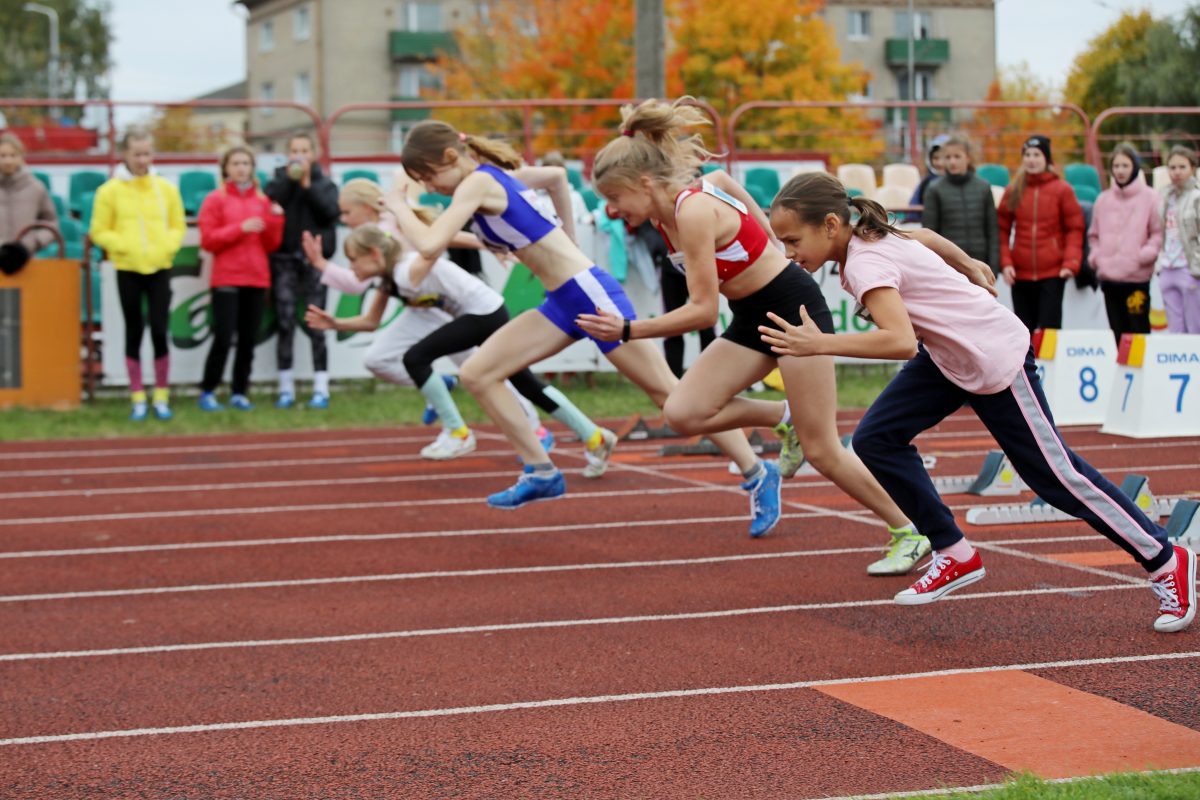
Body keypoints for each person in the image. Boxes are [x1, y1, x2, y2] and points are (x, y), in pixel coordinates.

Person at [761, 171, 1194, 633]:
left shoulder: (866, 260)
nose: (788, 253)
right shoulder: (870, 235)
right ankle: (954, 552)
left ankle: (1166, 558)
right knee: (877, 439)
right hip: (950, 360)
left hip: (995, 359)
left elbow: (900, 341)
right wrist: (967, 262)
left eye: (792, 240)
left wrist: (819, 344)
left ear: (830, 224)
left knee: (1055, 478)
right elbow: (924, 236)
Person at [580, 98, 928, 574]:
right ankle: (782, 418)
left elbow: (702, 311)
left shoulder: (692, 211)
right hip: (750, 315)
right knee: (683, 412)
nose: (611, 211)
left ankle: (909, 529)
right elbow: (724, 182)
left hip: (792, 311)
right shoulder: (676, 207)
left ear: (644, 184)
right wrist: (763, 233)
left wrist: (626, 329)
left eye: (615, 199)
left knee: (824, 448)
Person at [388, 119, 780, 538]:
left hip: (589, 293)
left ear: (451, 157)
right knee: (477, 373)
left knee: (669, 394)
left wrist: (396, 205)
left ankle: (758, 469)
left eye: (429, 177)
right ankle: (540, 470)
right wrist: (565, 239)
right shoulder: (492, 180)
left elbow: (430, 245)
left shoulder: (478, 183)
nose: (430, 188)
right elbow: (556, 178)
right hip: (561, 301)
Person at [303, 177, 567, 459]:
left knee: (482, 370)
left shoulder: (392, 226)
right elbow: (363, 288)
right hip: (416, 307)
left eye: (347, 213)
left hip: (446, 306)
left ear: (367, 208)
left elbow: (444, 236)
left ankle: (534, 430)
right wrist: (323, 271)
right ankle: (439, 387)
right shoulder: (369, 241)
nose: (344, 220)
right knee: (378, 359)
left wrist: (487, 245)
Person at [89, 128, 186, 421]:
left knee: (159, 329)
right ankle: (137, 395)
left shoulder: (166, 188)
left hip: (160, 268)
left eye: (147, 153)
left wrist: (166, 249)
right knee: (134, 330)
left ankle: (161, 394)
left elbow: (177, 225)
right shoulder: (109, 191)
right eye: (137, 154)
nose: (143, 159)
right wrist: (124, 248)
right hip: (127, 269)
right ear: (125, 155)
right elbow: (98, 229)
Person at [196, 145, 285, 410]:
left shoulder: (262, 201)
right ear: (226, 168)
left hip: (256, 278)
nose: (241, 168)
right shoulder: (215, 199)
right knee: (223, 337)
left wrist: (276, 221)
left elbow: (271, 244)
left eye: (246, 163)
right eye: (235, 163)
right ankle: (208, 390)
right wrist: (239, 228)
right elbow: (208, 241)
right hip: (226, 278)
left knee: (248, 340)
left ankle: (239, 391)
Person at [264, 131, 340, 409]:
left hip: (315, 262)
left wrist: (308, 184)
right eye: (294, 151)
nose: (300, 156)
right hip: (284, 260)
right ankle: (286, 388)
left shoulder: (325, 183)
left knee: (317, 324)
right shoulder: (279, 181)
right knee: (284, 323)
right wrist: (291, 180)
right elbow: (270, 199)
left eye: (305, 151)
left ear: (314, 154)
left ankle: (321, 388)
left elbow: (330, 213)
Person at [997, 135, 1085, 332]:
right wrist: (1006, 262)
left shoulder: (1063, 190)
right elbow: (1001, 228)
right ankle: (1027, 365)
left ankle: (1051, 365)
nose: (1031, 159)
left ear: (1047, 159)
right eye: (1027, 154)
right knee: (1023, 331)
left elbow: (1074, 228)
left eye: (1037, 154)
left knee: (1050, 330)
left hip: (1053, 273)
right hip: (1021, 274)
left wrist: (1070, 262)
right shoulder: (1013, 190)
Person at [1087, 143, 1162, 342]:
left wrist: (1142, 256)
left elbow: (1157, 234)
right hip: (1110, 279)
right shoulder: (1103, 200)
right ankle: (1125, 374)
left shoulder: (1151, 198)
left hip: (1136, 280)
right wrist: (1097, 258)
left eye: (1125, 165)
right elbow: (1093, 236)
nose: (1120, 171)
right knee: (1117, 334)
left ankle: (1142, 374)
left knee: (1138, 334)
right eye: (1116, 166)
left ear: (1135, 167)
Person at [920, 134, 999, 276]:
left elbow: (992, 231)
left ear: (968, 158)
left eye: (957, 156)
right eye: (948, 157)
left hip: (981, 263)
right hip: (949, 265)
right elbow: (930, 232)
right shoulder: (934, 189)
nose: (952, 162)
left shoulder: (983, 187)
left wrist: (993, 266)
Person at [1156, 145, 1200, 333]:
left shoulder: (1197, 197)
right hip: (1167, 267)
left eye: (1182, 167)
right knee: (1175, 330)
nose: (1177, 172)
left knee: (1195, 326)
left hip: (1190, 268)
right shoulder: (1165, 197)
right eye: (1172, 167)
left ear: (1193, 168)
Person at [0, 132, 58, 275]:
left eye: (13, 155)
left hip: (27, 263)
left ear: (21, 157)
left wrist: (31, 244)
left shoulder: (36, 188)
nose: (8, 161)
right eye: (2, 156)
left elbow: (51, 223)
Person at [908, 133, 950, 209]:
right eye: (936, 158)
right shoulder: (925, 183)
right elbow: (913, 212)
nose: (940, 163)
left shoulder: (960, 183)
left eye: (945, 157)